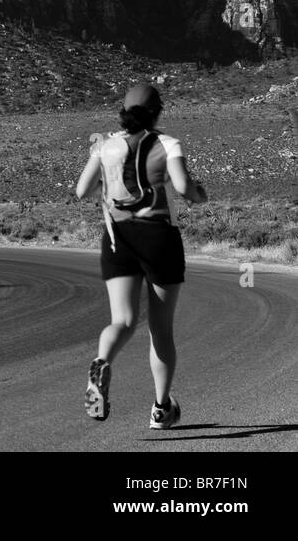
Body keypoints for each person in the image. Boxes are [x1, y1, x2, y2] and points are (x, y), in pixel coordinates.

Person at [73, 83, 208, 429]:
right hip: (159, 238)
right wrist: (198, 194)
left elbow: (82, 189)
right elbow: (181, 186)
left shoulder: (104, 145)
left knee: (123, 321)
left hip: (118, 240)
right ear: (157, 112)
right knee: (161, 330)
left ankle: (102, 361)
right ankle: (162, 409)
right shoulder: (167, 143)